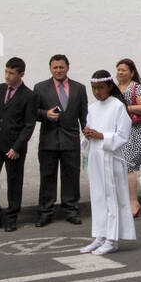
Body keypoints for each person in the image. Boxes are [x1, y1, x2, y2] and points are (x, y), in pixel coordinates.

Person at [79, 71, 135, 255]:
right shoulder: (93, 108)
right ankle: (100, 236)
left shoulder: (118, 106)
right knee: (98, 197)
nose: (97, 92)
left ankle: (112, 239)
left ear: (109, 86)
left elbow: (123, 136)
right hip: (96, 157)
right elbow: (89, 133)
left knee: (112, 199)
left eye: (100, 88)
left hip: (111, 158)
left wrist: (101, 136)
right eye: (94, 88)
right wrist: (87, 135)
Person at [0, 57, 36, 233]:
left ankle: (11, 217)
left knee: (14, 181)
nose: (7, 76)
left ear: (21, 74)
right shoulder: (0, 89)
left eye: (11, 73)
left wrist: (17, 147)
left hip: (14, 146)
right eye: (6, 71)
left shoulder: (29, 95)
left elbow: (29, 125)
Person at [33, 54, 87, 228]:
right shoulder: (40, 88)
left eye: (61, 67)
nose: (58, 70)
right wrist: (44, 114)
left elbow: (83, 115)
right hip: (48, 139)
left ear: (67, 68)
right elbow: (32, 112)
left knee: (71, 176)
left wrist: (87, 134)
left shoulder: (79, 88)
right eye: (55, 67)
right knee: (47, 176)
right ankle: (45, 212)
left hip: (71, 140)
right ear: (50, 68)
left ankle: (71, 210)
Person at [116, 58, 141, 217]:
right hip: (120, 132)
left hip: (134, 131)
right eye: (118, 69)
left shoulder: (137, 88)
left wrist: (127, 108)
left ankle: (134, 202)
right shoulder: (116, 88)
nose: (119, 72)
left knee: (129, 166)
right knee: (121, 166)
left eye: (123, 70)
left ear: (132, 72)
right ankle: (125, 201)